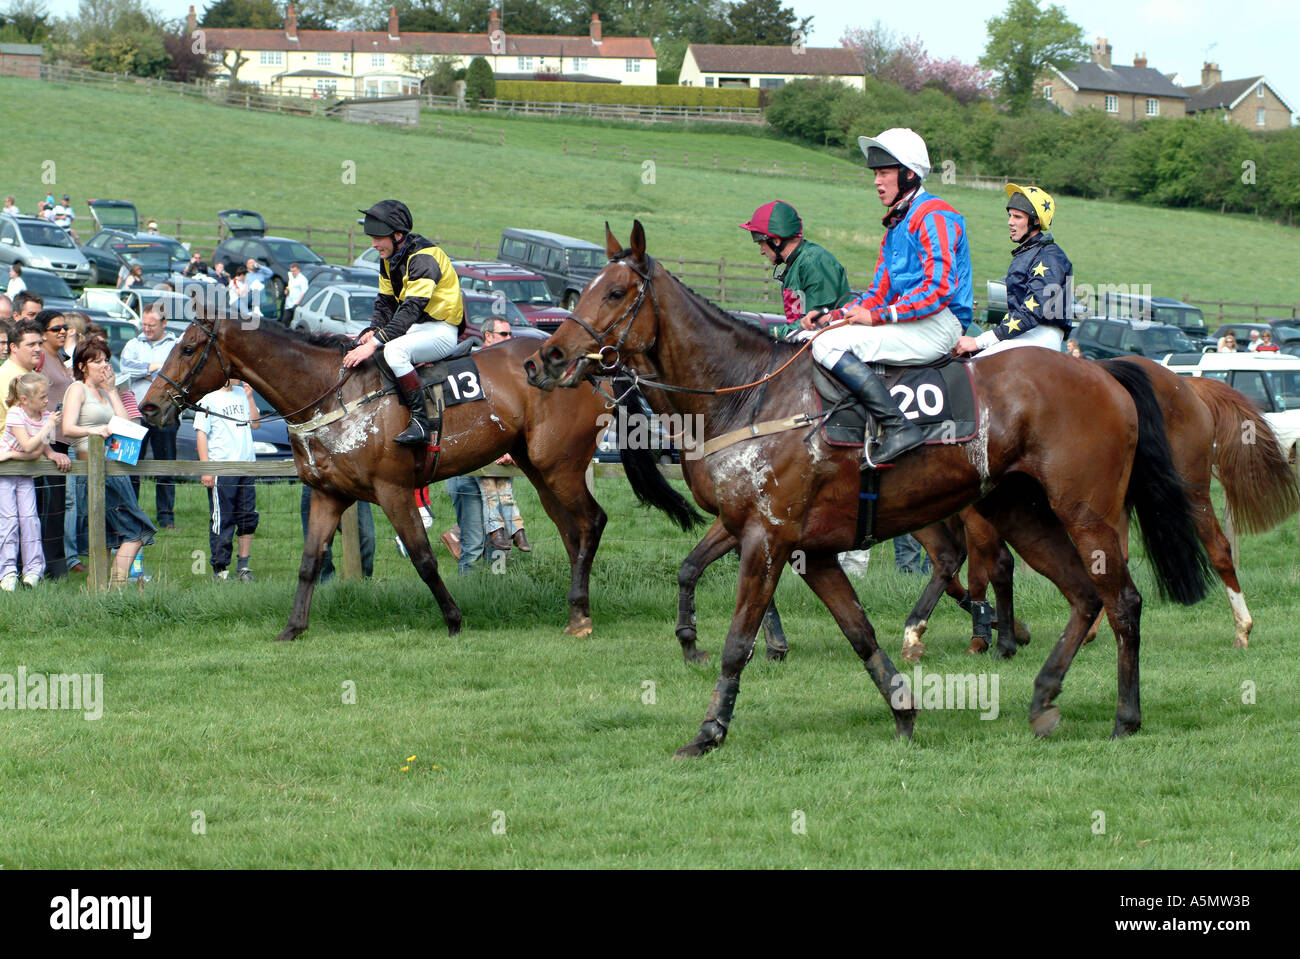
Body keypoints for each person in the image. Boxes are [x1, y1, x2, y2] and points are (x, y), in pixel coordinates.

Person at [800, 128, 972, 468]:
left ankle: (897, 429)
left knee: (827, 347)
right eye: (875, 173)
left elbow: (938, 290)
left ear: (908, 174)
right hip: (912, 320)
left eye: (884, 172)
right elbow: (876, 294)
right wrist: (832, 317)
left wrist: (879, 316)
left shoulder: (935, 215)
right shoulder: (897, 224)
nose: (877, 181)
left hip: (940, 324)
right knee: (811, 336)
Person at [343, 200, 464, 445]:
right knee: (372, 345)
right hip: (417, 329)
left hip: (441, 331)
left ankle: (421, 422)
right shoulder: (389, 258)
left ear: (398, 235)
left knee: (394, 351)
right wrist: (372, 330)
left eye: (379, 238)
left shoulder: (424, 258)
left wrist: (375, 343)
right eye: (372, 238)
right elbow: (385, 302)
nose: (374, 244)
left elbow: (409, 309)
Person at [62, 338, 156, 587]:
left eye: (106, 360)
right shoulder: (77, 389)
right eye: (97, 361)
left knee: (111, 537)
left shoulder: (105, 392)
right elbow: (67, 428)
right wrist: (96, 431)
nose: (105, 365)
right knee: (133, 532)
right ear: (83, 366)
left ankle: (103, 592)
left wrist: (113, 390)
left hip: (114, 467)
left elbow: (126, 426)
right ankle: (116, 585)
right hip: (91, 469)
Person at [956, 184, 1073, 358]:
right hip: (1025, 333)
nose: (1010, 222)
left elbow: (1032, 312)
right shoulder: (1029, 252)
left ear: (1035, 221)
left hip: (1040, 336)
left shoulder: (1049, 256)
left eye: (1017, 217)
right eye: (1010, 215)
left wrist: (979, 341)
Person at [738, 200, 851, 336]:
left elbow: (813, 324)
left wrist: (771, 333)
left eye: (762, 244)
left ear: (776, 241)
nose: (762, 251)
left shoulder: (814, 262)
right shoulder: (795, 263)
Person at [0, 372, 69, 589]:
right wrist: (47, 428)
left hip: (24, 472)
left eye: (47, 396)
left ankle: (33, 570)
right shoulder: (15, 415)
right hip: (5, 475)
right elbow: (29, 446)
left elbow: (40, 448)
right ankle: (8, 571)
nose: (46, 401)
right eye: (42, 397)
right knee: (9, 520)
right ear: (25, 400)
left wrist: (12, 455)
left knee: (30, 519)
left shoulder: (45, 416)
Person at [119, 304, 180, 529]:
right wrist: (153, 368)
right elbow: (126, 368)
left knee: (165, 466)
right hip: (136, 414)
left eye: (152, 325)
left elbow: (175, 372)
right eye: (144, 324)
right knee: (132, 465)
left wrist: (148, 372)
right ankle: (131, 512)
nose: (147, 329)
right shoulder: (133, 344)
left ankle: (166, 517)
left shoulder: (175, 345)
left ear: (164, 323)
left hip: (165, 414)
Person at [195, 379, 260, 582]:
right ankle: (220, 568)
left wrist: (250, 397)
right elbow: (201, 435)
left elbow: (255, 423)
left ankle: (243, 566)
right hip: (222, 468)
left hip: (246, 466)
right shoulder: (208, 399)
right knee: (223, 519)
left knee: (247, 517)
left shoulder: (242, 393)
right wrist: (207, 468)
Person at [33, 310, 72, 578]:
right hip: (49, 441)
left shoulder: (60, 357)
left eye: (65, 327)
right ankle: (50, 566)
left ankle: (57, 564)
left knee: (59, 506)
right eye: (56, 328)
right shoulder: (41, 360)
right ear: (43, 333)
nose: (62, 332)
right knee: (50, 506)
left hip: (64, 439)